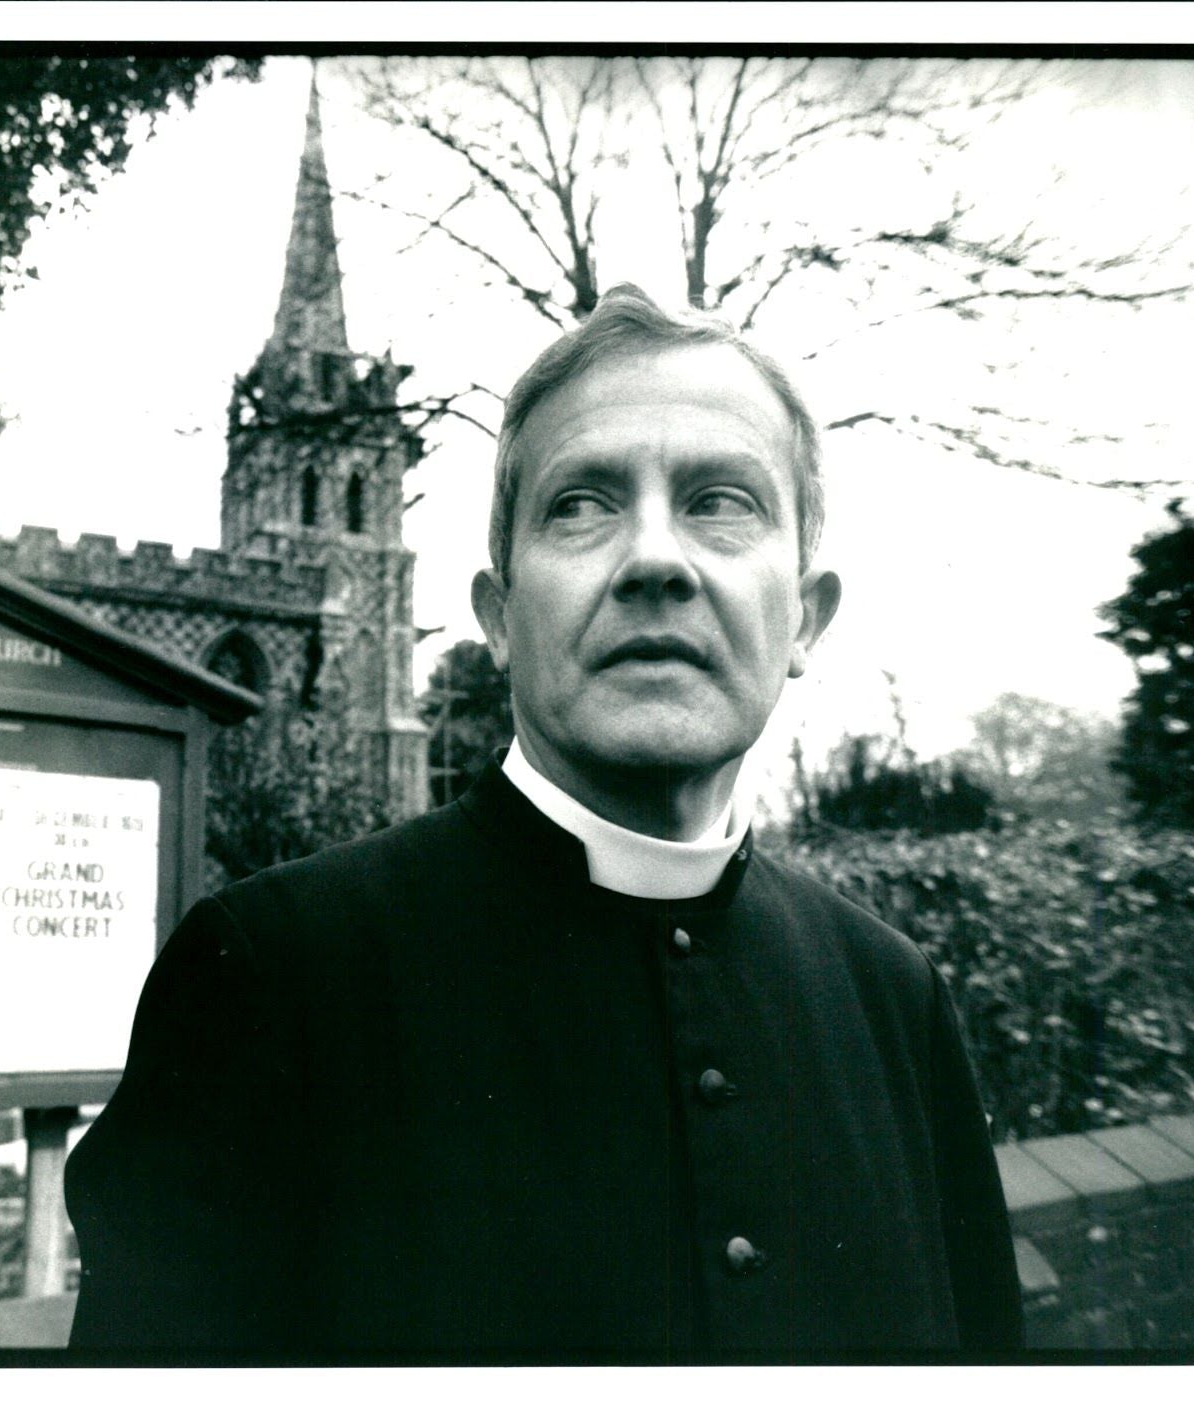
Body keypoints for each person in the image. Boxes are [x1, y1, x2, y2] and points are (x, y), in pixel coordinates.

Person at [64, 284, 1023, 1356]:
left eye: (719, 500)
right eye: (580, 504)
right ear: (496, 615)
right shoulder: (267, 972)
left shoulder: (894, 995)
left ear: (804, 614)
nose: (654, 559)